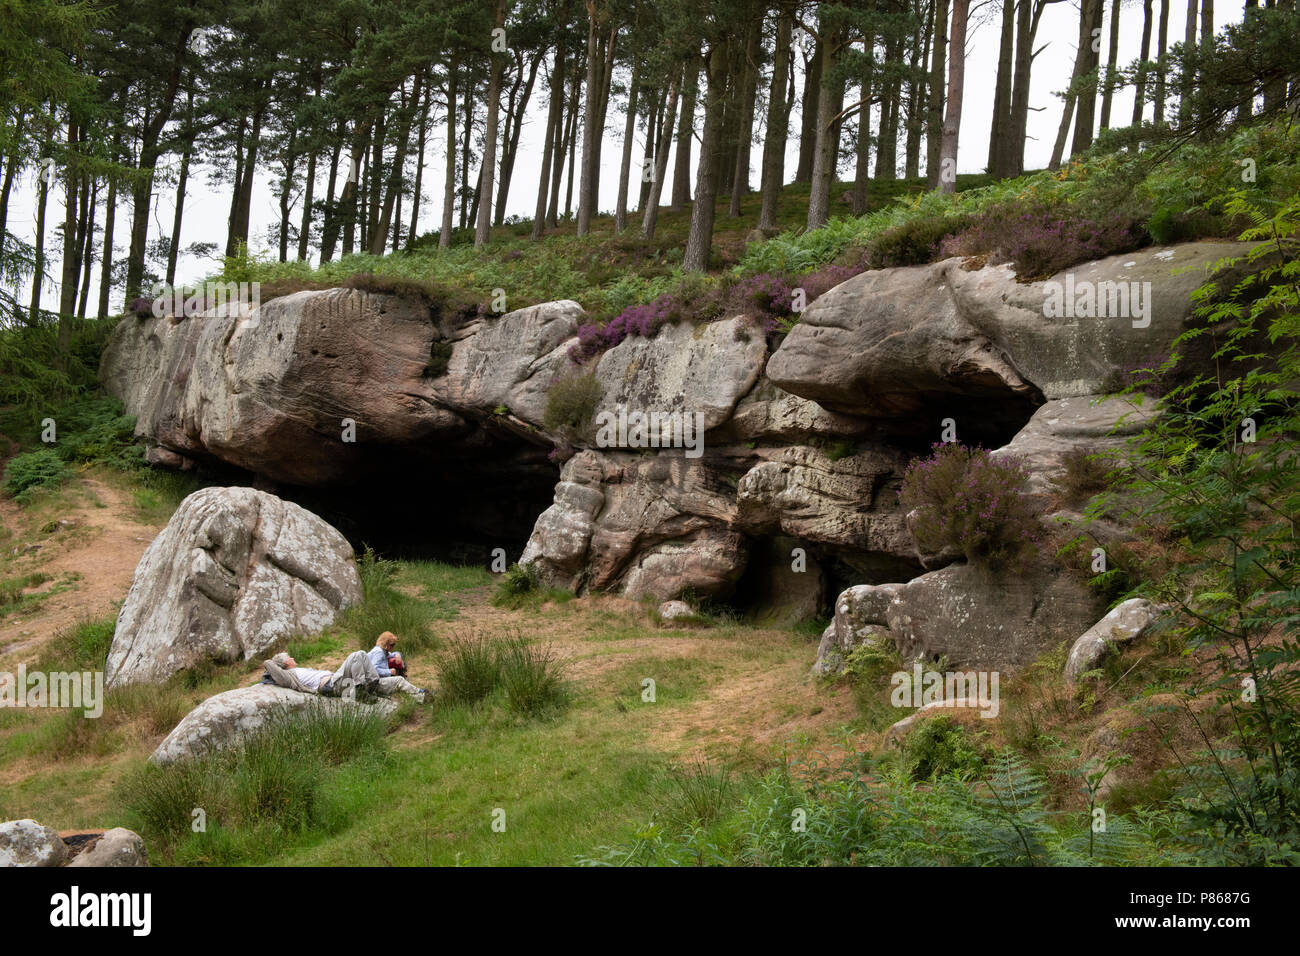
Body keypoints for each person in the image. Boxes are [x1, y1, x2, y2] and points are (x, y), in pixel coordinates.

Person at [263, 649, 424, 703]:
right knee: (357, 655)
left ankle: (421, 696)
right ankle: (361, 689)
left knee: (397, 680)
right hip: (332, 685)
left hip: (342, 680)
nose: (292, 658)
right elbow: (269, 665)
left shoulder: (299, 669)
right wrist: (271, 661)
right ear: (285, 663)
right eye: (288, 657)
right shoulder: (289, 674)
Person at [366, 631, 430, 702]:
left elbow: (392, 654)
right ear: (385, 643)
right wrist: (389, 671)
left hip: (375, 681)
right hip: (375, 683)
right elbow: (374, 669)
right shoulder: (379, 652)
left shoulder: (382, 650)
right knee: (399, 680)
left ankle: (422, 697)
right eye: (392, 645)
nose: (393, 647)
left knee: (400, 687)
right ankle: (420, 692)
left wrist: (397, 655)